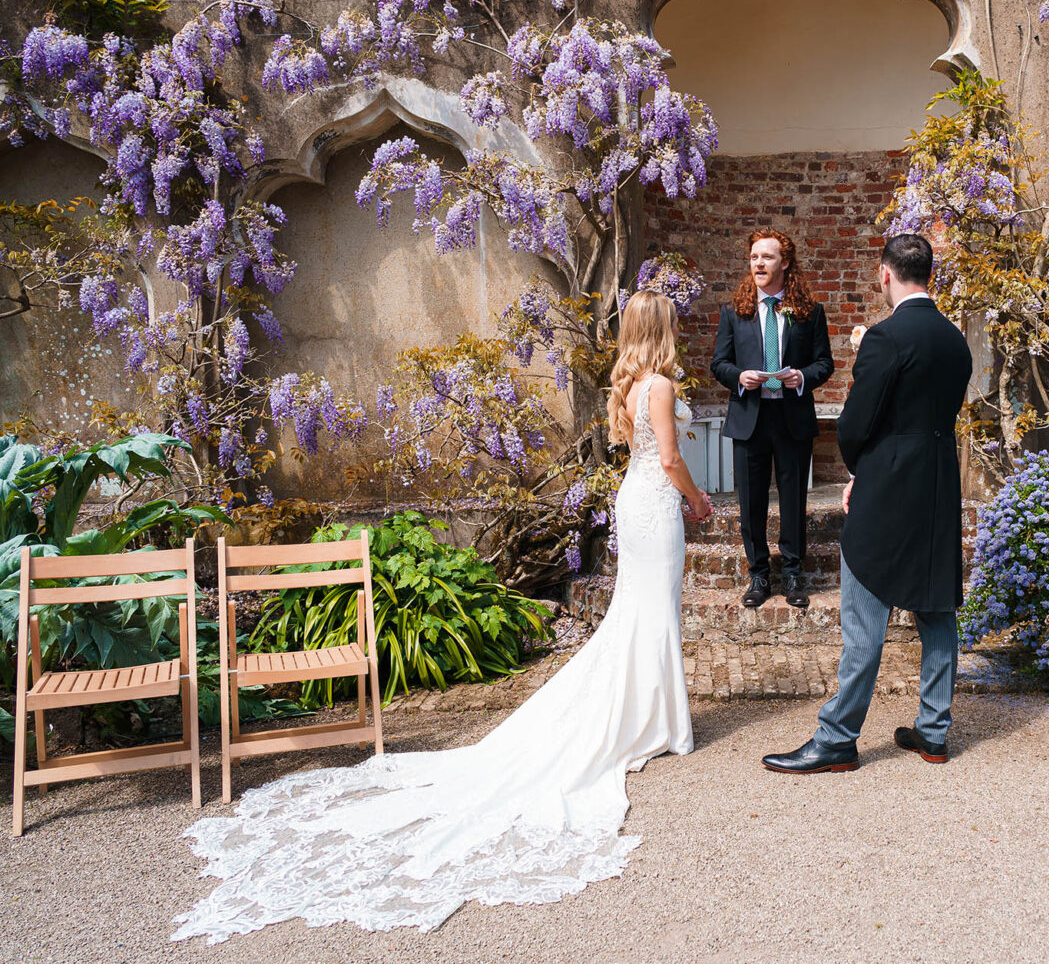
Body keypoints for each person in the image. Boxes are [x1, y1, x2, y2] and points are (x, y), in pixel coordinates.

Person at [173, 291, 710, 942]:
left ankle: (654, 715)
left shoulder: (630, 384)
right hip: (655, 505)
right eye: (671, 319)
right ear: (661, 328)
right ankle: (656, 720)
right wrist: (698, 500)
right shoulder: (660, 384)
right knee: (649, 612)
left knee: (638, 614)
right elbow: (670, 459)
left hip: (636, 502)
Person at [762, 234, 973, 774]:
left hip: (888, 488)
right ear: (928, 274)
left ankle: (837, 738)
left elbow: (855, 424)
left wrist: (861, 471)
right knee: (936, 611)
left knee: (863, 615)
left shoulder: (885, 337)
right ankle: (933, 732)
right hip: (939, 486)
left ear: (885, 274)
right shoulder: (955, 340)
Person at [711, 229, 834, 609]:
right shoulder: (734, 312)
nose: (759, 263)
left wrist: (802, 377)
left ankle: (794, 575)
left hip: (791, 415)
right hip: (750, 417)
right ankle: (759, 575)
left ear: (785, 262)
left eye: (767, 257)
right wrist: (740, 377)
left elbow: (824, 363)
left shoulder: (809, 312)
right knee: (751, 501)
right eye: (754, 257)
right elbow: (719, 363)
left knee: (794, 499)